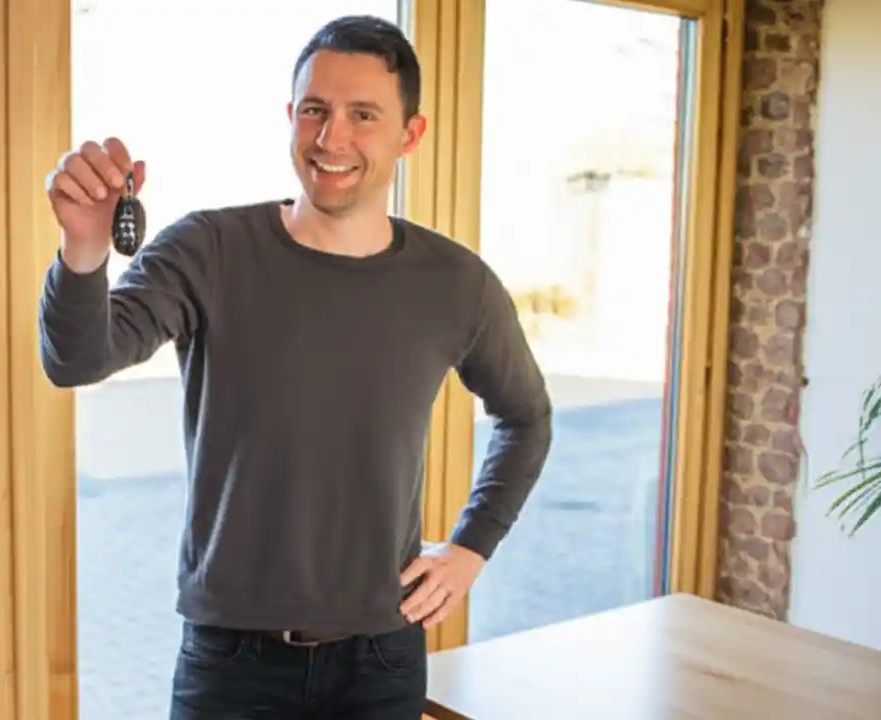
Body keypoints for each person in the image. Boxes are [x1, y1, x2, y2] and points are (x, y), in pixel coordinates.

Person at [39, 14, 552, 720]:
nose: (331, 138)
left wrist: (471, 547)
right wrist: (86, 252)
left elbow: (528, 418)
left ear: (411, 134)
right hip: (230, 665)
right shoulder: (208, 249)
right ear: (290, 118)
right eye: (315, 110)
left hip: (380, 661)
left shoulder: (458, 284)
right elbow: (76, 358)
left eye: (363, 115)